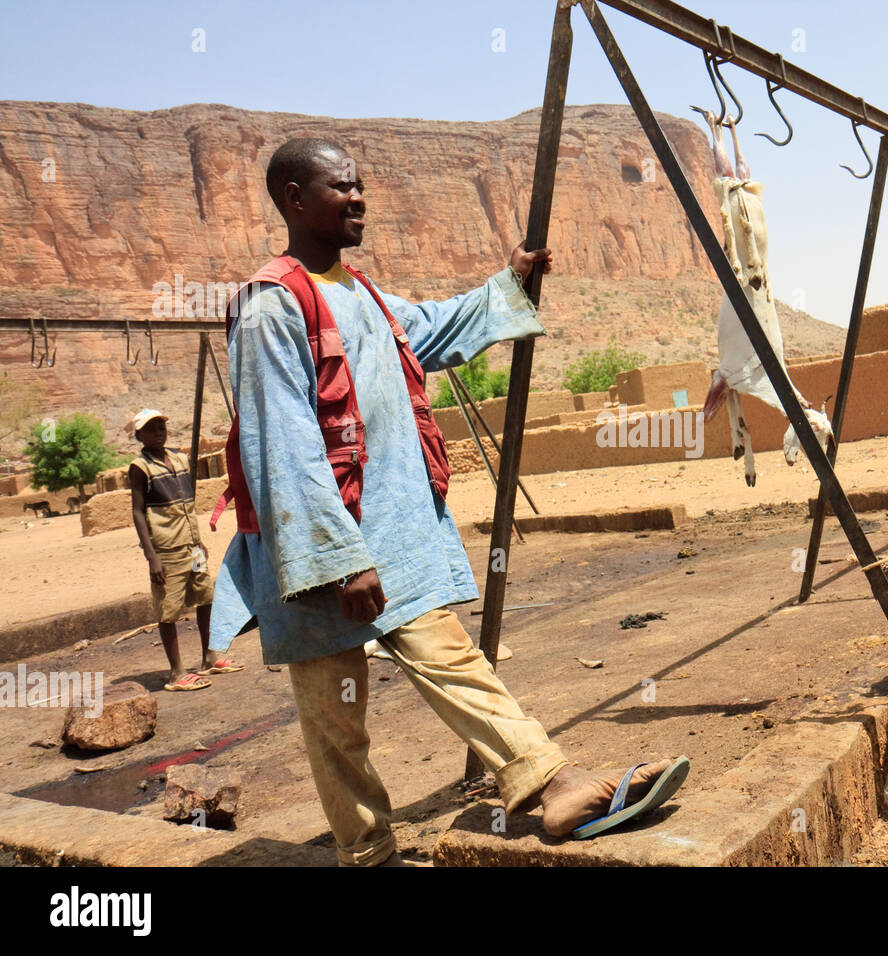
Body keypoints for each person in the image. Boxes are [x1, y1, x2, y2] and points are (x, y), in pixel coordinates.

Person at [207, 138, 688, 865]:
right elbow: (282, 449)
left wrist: (509, 286)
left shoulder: (362, 293)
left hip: (387, 539)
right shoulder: (271, 308)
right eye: (341, 187)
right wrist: (340, 560)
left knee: (451, 655)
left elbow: (430, 329)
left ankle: (550, 782)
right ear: (295, 199)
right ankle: (368, 852)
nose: (359, 197)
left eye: (361, 183)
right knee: (335, 716)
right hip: (317, 558)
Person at [128, 408, 243, 691]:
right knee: (168, 610)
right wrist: (151, 556)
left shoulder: (179, 459)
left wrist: (198, 540)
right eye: (151, 428)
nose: (158, 432)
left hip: (191, 547)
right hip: (167, 550)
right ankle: (176, 673)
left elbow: (186, 505)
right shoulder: (139, 467)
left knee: (206, 598)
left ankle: (209, 657)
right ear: (139, 435)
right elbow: (138, 511)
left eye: (161, 426)